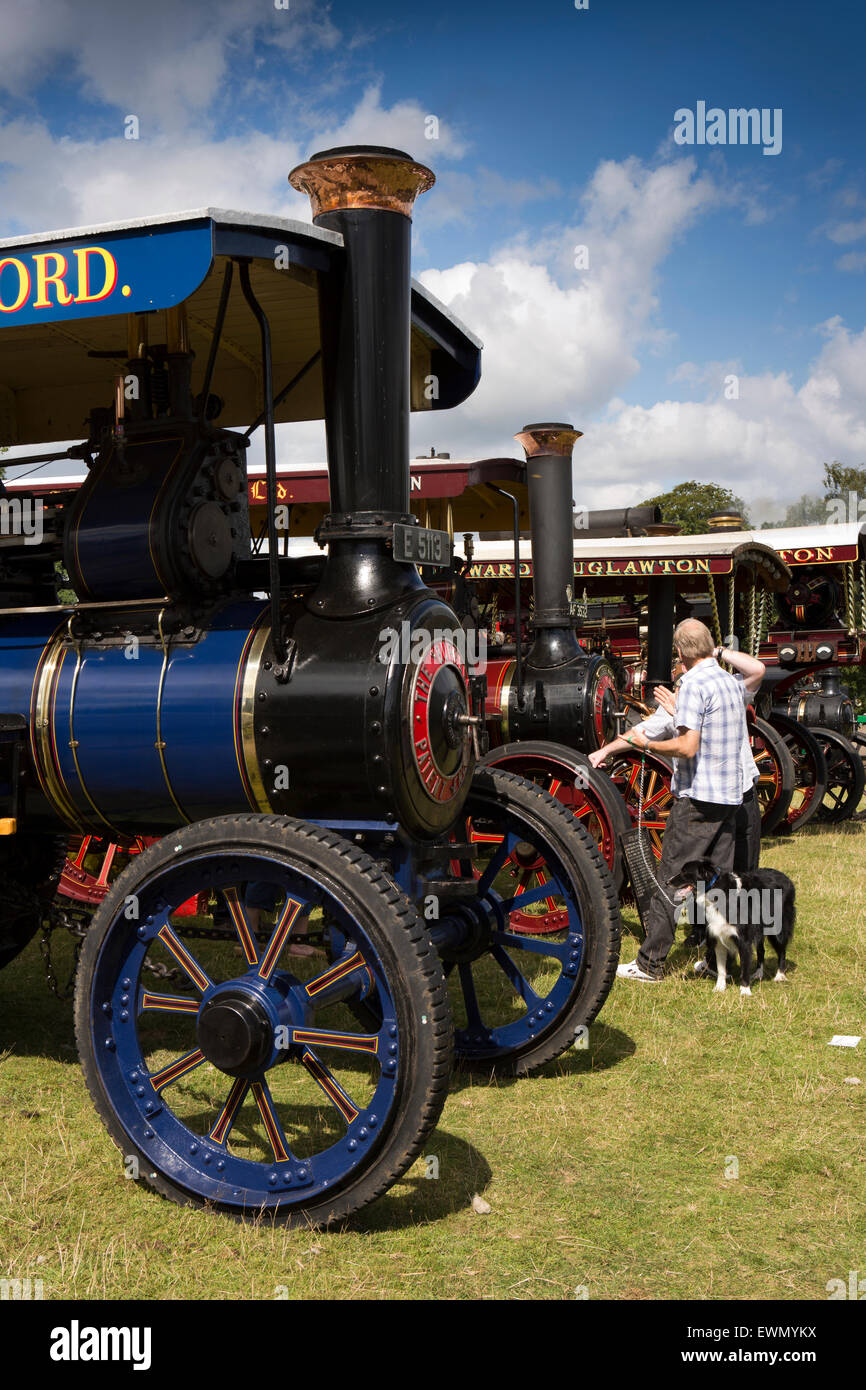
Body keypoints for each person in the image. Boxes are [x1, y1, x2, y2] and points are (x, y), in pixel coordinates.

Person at [590, 618, 749, 982]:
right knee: (717, 883)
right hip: (730, 797)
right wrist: (613, 749)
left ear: (680, 652)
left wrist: (648, 745)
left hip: (699, 799)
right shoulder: (728, 681)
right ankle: (715, 961)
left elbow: (687, 746)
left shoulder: (692, 684)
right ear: (709, 645)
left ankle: (650, 963)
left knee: (670, 879)